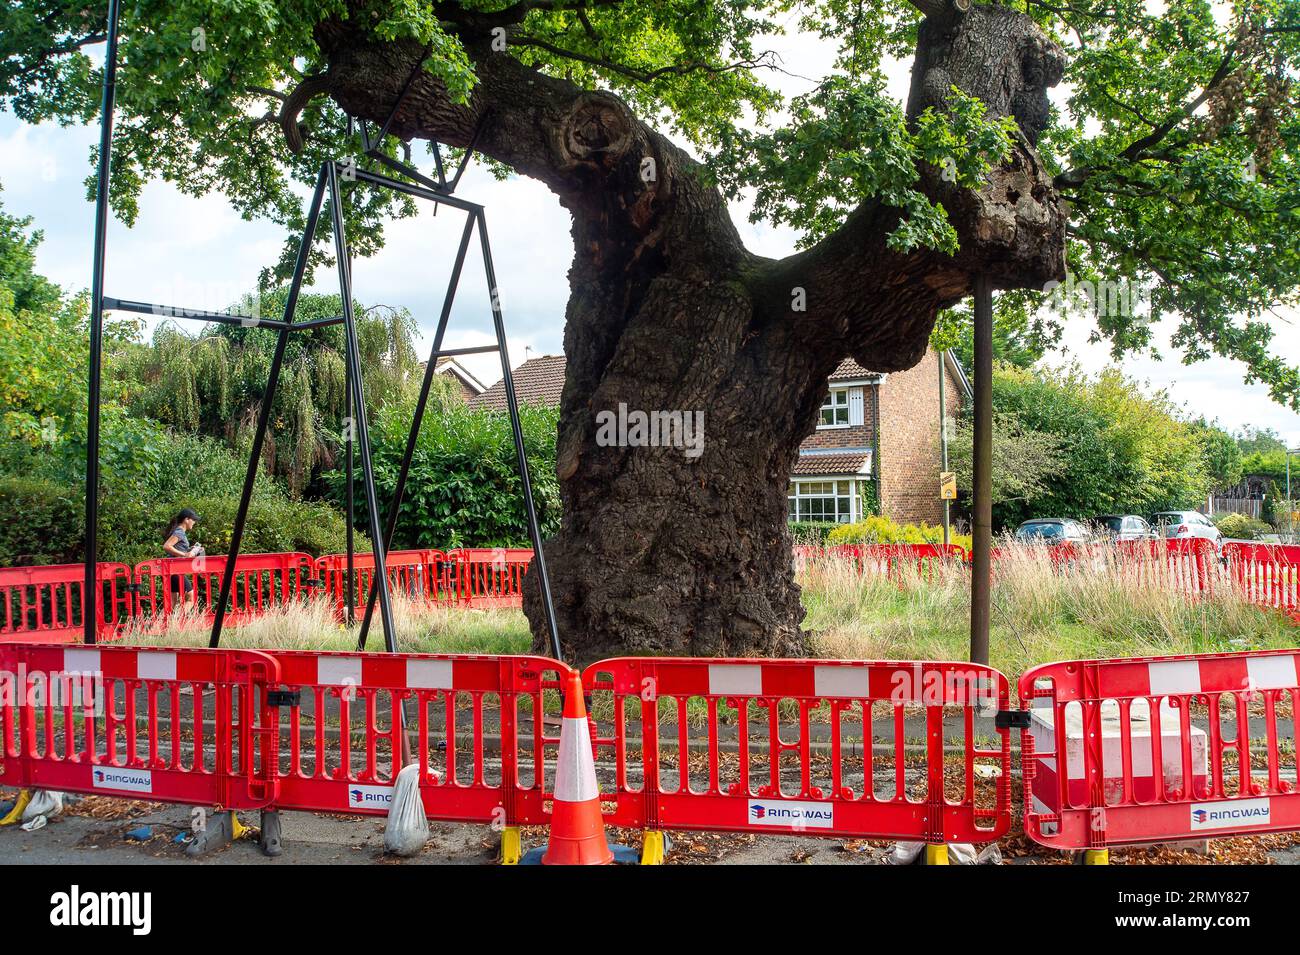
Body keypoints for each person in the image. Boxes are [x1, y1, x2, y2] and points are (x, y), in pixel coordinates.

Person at [163, 508, 204, 602]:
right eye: (193, 520)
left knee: (174, 602)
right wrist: (184, 554)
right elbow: (167, 546)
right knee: (190, 599)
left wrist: (191, 550)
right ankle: (181, 617)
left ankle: (174, 617)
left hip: (171, 569)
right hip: (175, 569)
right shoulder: (180, 532)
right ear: (186, 519)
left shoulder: (178, 531)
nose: (194, 522)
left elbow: (175, 548)